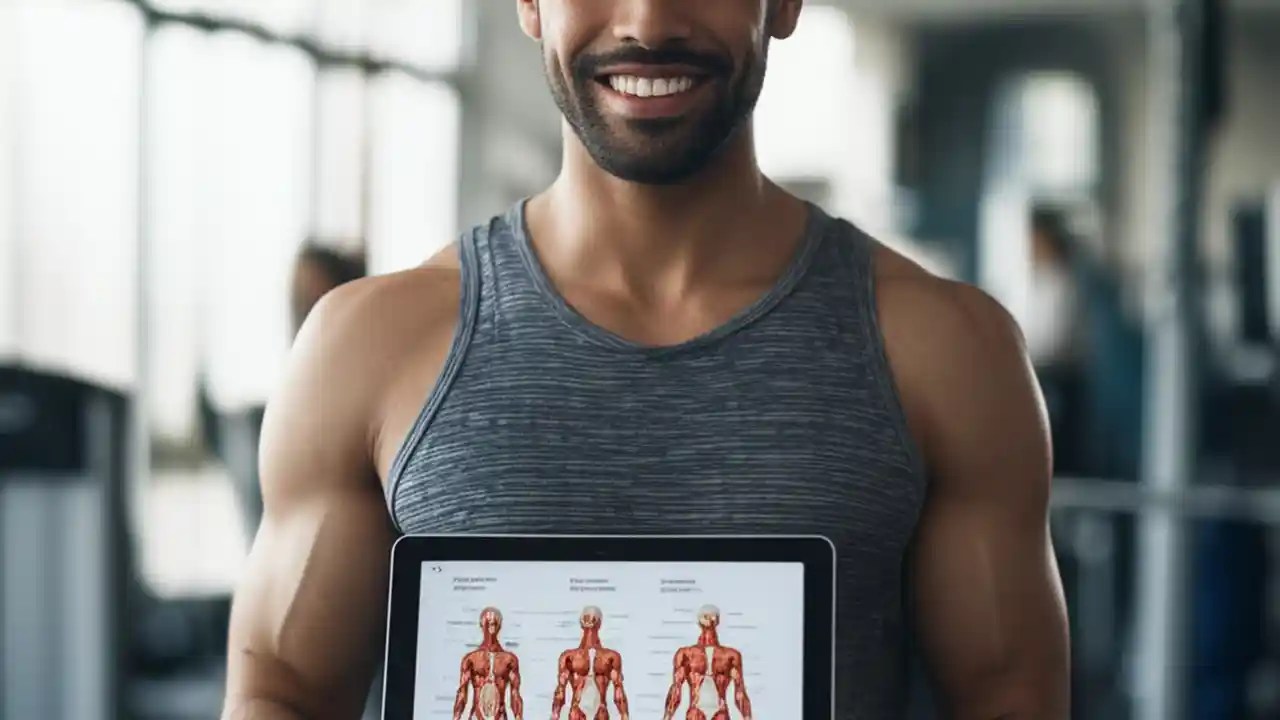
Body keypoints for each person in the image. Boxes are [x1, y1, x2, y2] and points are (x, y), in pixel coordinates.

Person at [222, 2, 1070, 718]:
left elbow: (1012, 702)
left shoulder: (949, 352)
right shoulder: (364, 350)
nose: (647, 20)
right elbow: (281, 694)